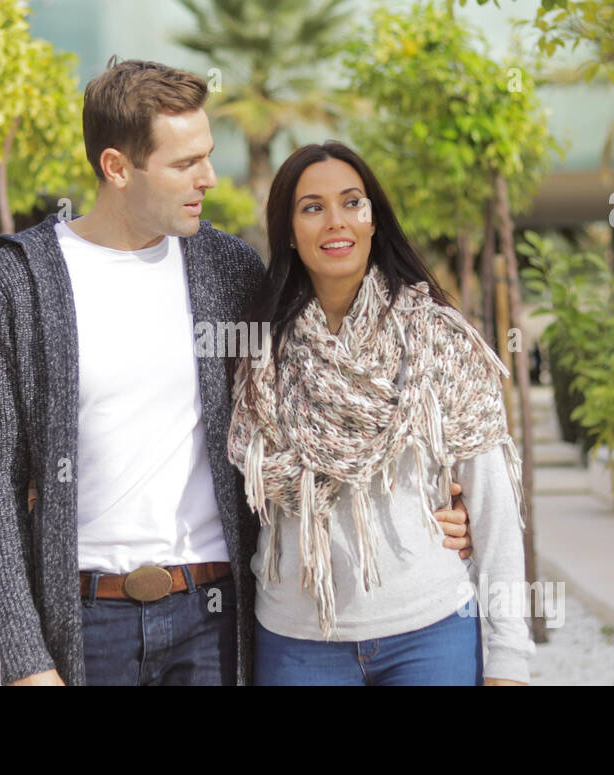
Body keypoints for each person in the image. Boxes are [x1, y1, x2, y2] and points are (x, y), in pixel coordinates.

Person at [0, 59, 475, 686]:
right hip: (87, 621)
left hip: (214, 617)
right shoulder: (18, 282)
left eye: (207, 154)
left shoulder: (228, 270)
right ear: (117, 168)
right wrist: (24, 659)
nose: (208, 177)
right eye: (184, 164)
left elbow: (321, 409)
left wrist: (441, 500)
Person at [227, 141, 535, 686]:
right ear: (290, 233)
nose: (336, 221)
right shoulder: (259, 351)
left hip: (431, 632)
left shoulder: (436, 337)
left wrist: (508, 659)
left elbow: (492, 505)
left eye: (352, 202)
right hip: (298, 643)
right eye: (312, 207)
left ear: (374, 222)